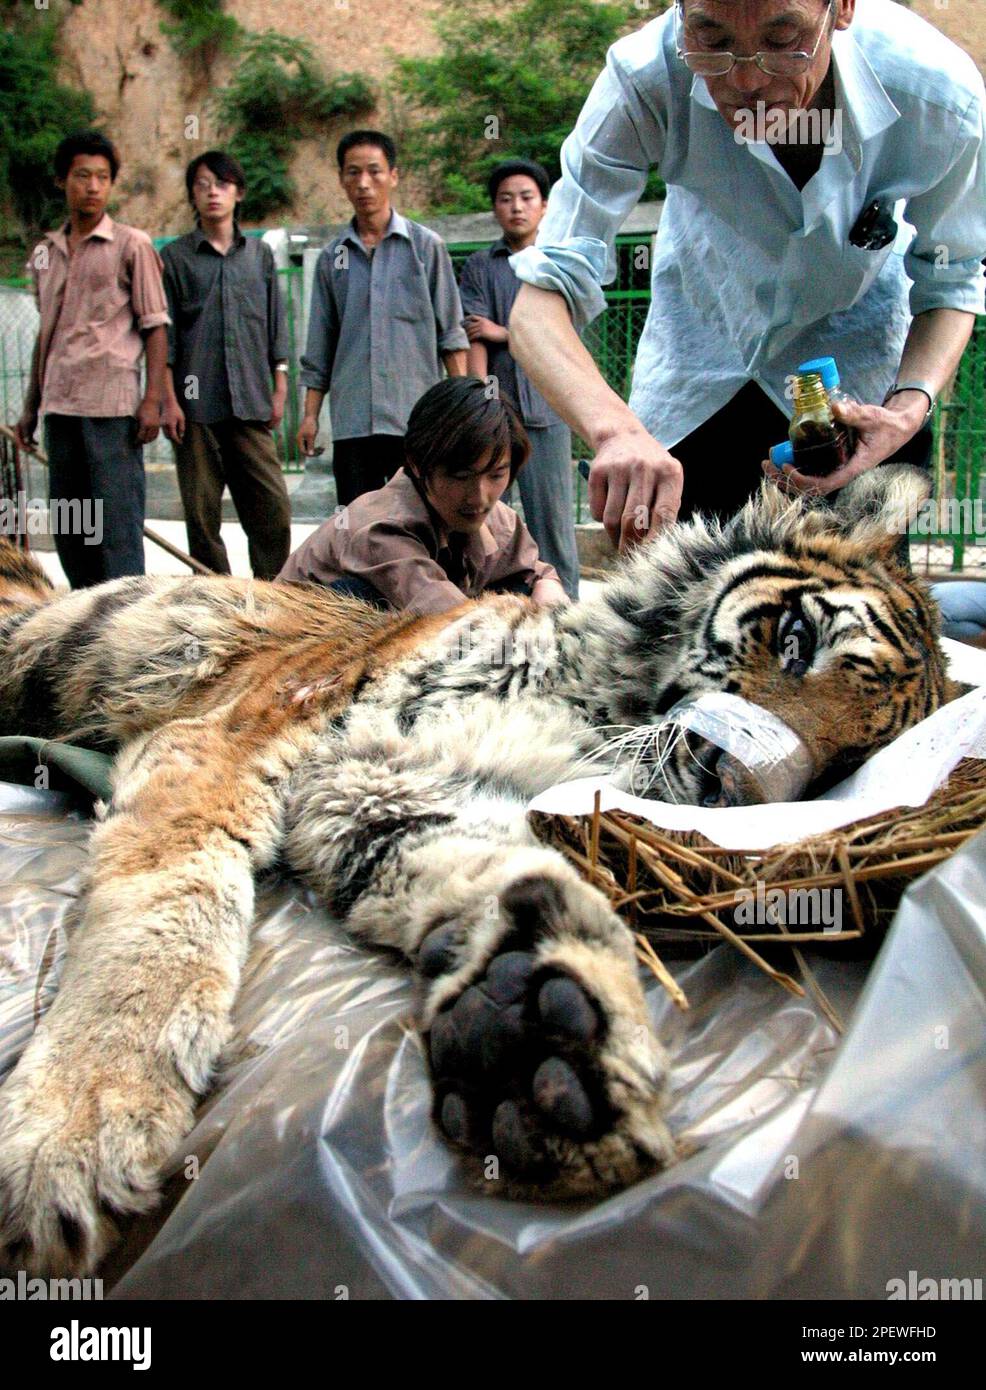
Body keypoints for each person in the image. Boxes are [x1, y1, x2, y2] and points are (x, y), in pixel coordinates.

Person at [507, 0, 986, 549]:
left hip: (856, 394)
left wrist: (907, 409)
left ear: (844, 8)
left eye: (784, 41)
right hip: (701, 366)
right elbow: (539, 301)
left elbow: (953, 275)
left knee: (856, 616)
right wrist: (616, 432)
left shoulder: (938, 97)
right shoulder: (644, 77)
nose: (746, 80)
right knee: (678, 613)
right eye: (711, 41)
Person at [14, 130, 169, 587]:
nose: (94, 187)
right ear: (62, 180)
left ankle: (121, 631)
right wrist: (29, 409)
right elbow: (47, 337)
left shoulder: (132, 245)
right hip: (60, 409)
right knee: (71, 527)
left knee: (117, 529)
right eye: (83, 176)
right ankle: (81, 625)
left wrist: (152, 400)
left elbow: (155, 325)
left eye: (103, 177)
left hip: (113, 409)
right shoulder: (45, 253)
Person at [278, 378, 567, 615]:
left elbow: (537, 574)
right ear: (418, 464)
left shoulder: (497, 519)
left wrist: (551, 602)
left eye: (496, 475)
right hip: (292, 649)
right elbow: (451, 619)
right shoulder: (381, 531)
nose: (480, 497)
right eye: (460, 476)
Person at [297, 130, 470, 507]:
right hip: (353, 422)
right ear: (342, 180)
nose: (363, 183)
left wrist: (468, 411)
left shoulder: (426, 248)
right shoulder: (332, 259)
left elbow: (452, 336)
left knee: (420, 518)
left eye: (374, 172)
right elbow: (319, 346)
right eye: (352, 172)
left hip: (417, 420)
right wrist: (310, 416)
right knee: (359, 526)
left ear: (394, 175)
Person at [160, 152, 292, 580]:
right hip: (194, 404)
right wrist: (168, 399)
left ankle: (274, 597)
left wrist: (280, 384)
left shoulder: (259, 256)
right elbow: (167, 334)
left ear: (238, 192)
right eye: (201, 184)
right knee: (202, 518)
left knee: (273, 510)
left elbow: (276, 324)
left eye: (221, 183)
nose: (212, 192)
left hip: (251, 401)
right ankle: (214, 600)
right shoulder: (176, 259)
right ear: (192, 196)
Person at [459, 159, 581, 601]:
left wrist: (503, 333)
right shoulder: (479, 266)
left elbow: (567, 333)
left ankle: (569, 621)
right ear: (495, 208)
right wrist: (477, 408)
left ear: (545, 206)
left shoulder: (558, 262)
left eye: (527, 197)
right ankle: (490, 613)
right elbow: (473, 334)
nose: (516, 207)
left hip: (549, 412)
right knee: (486, 522)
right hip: (497, 416)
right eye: (506, 198)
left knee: (553, 526)